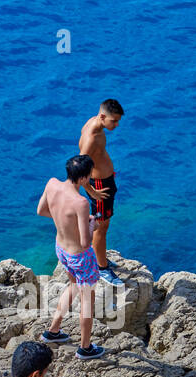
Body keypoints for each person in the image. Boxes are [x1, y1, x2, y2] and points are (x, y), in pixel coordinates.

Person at [36, 154, 106, 359]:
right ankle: (85, 348)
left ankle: (53, 331)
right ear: (83, 178)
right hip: (80, 256)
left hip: (61, 249)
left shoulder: (52, 184)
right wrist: (93, 225)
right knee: (87, 302)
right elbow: (85, 243)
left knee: (73, 286)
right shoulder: (81, 203)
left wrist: (66, 221)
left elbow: (41, 211)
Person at [78, 99, 125, 286]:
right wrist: (92, 190)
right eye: (114, 121)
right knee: (101, 227)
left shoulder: (93, 122)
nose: (116, 125)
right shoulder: (92, 137)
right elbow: (79, 167)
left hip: (104, 182)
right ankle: (102, 268)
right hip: (100, 186)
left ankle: (99, 257)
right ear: (103, 116)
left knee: (101, 224)